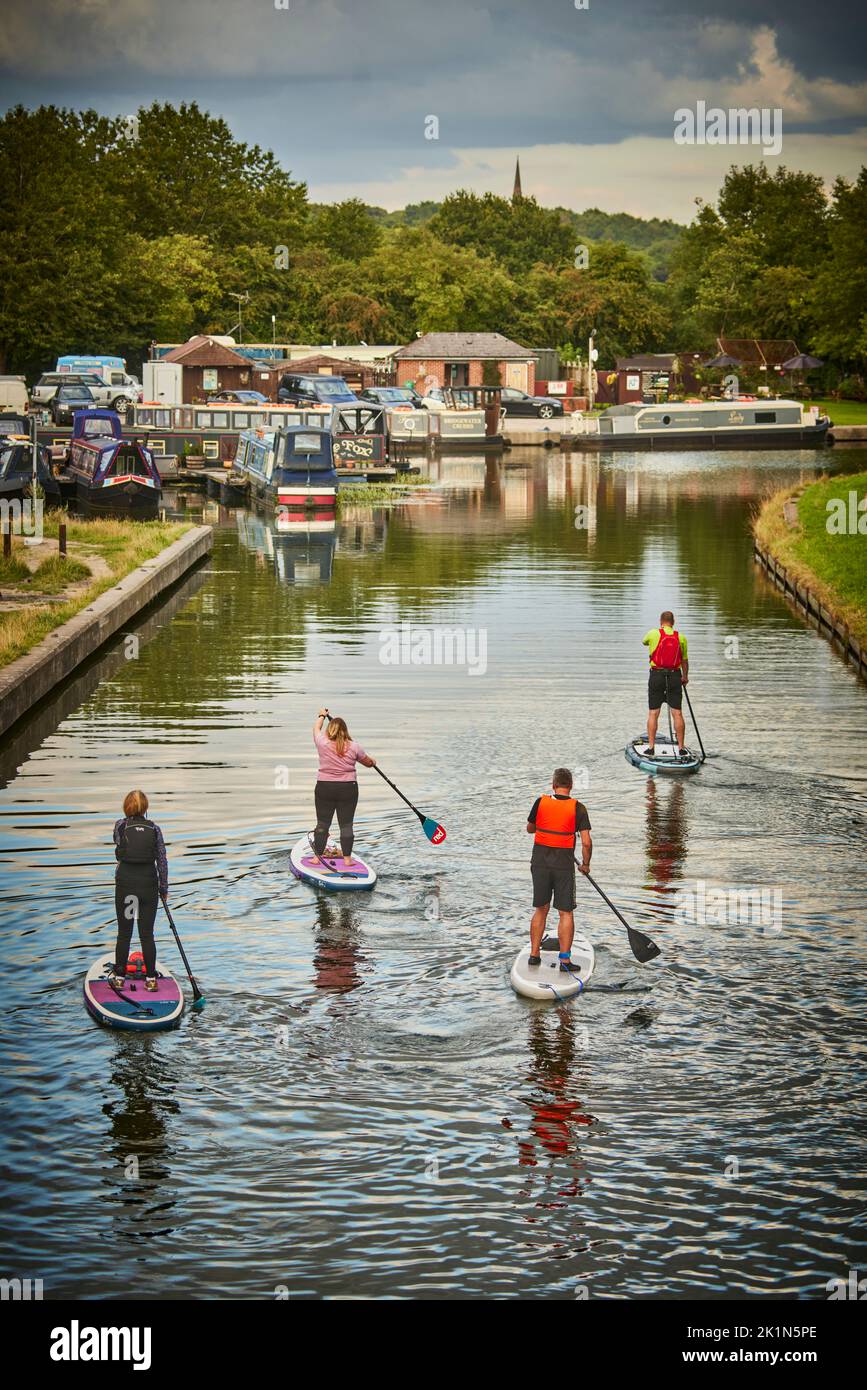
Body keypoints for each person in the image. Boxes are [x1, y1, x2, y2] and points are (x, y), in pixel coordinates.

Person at [527, 768, 592, 973]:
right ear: (570, 786)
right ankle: (564, 961)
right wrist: (585, 864)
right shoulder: (579, 808)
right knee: (565, 912)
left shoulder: (540, 802)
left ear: (553, 785)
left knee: (541, 909)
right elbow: (587, 843)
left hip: (539, 862)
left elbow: (530, 828)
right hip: (563, 865)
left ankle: (534, 955)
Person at [110, 790, 168, 990]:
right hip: (148, 889)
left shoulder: (121, 825)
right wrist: (164, 888)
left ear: (127, 807)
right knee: (147, 934)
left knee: (124, 934)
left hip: (127, 888)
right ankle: (151, 980)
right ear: (145, 808)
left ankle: (119, 978)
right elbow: (162, 860)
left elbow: (118, 848)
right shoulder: (155, 829)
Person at [312, 709, 376, 866]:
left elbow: (316, 728)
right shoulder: (354, 746)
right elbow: (368, 763)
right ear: (345, 731)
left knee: (322, 824)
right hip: (348, 789)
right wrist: (373, 762)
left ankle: (316, 858)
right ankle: (347, 859)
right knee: (346, 825)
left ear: (329, 729)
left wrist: (322, 715)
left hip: (324, 787)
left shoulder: (321, 742)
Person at [643, 610, 690, 758]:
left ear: (660, 622)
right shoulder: (681, 637)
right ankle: (681, 748)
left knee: (653, 713)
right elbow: (684, 660)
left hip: (656, 675)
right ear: (673, 622)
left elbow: (644, 642)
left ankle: (651, 748)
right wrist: (685, 677)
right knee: (677, 713)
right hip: (675, 677)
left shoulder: (652, 634)